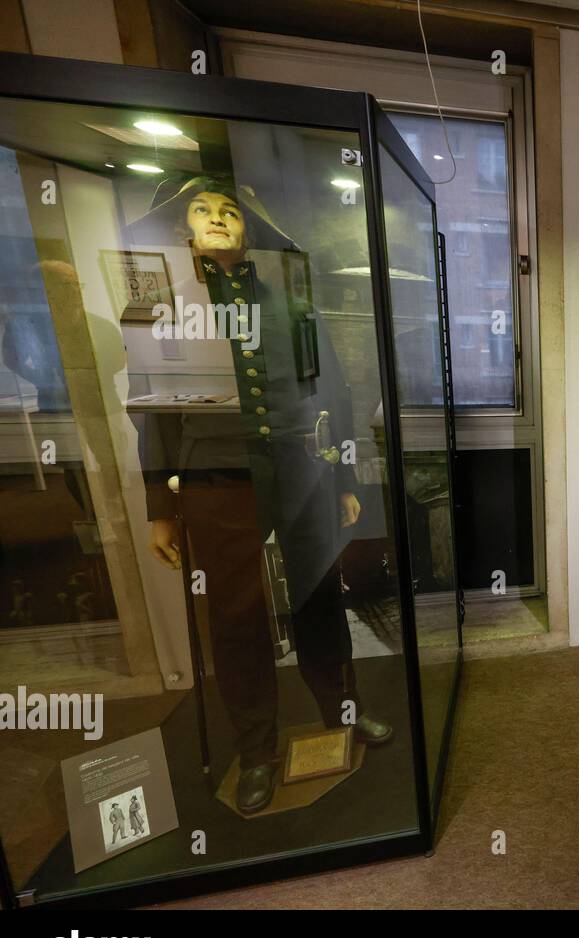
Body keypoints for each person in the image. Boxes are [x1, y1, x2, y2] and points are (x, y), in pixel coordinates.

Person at [133, 175, 392, 815]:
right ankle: (255, 751)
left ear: (249, 228)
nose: (217, 219)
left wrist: (345, 479)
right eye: (202, 210)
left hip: (301, 468)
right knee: (237, 614)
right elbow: (152, 409)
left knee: (319, 597)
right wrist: (161, 508)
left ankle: (343, 713)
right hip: (215, 478)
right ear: (183, 229)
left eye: (229, 211)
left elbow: (331, 393)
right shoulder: (166, 305)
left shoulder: (291, 300)